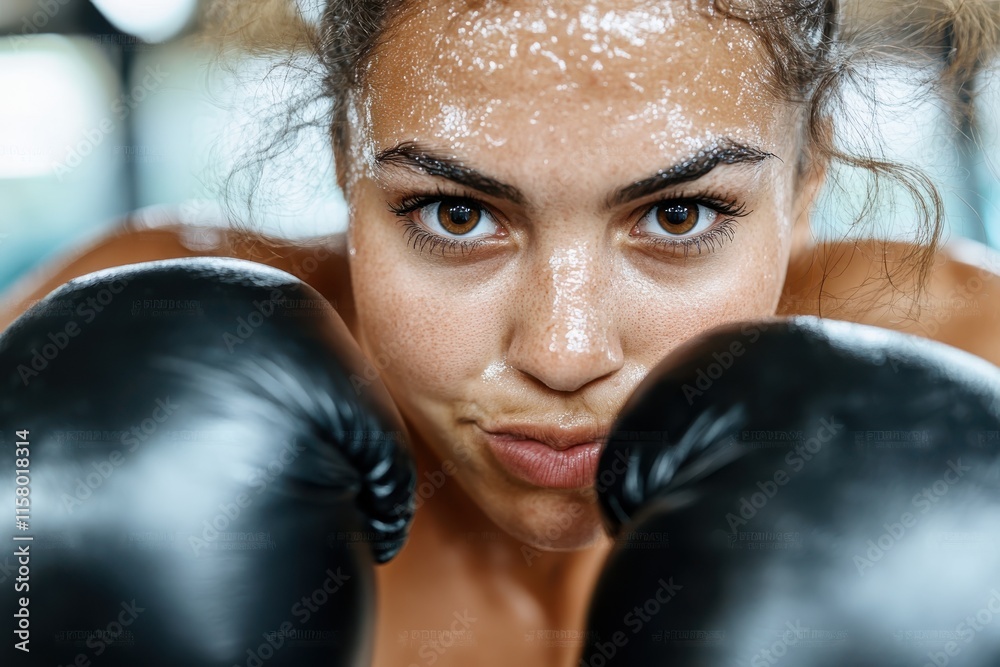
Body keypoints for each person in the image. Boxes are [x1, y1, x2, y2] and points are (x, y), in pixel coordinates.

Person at [3, 1, 1000, 665]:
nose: (563, 353)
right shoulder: (130, 349)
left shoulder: (973, 369)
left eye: (678, 215)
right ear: (347, 162)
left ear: (806, 179)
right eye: (457, 213)